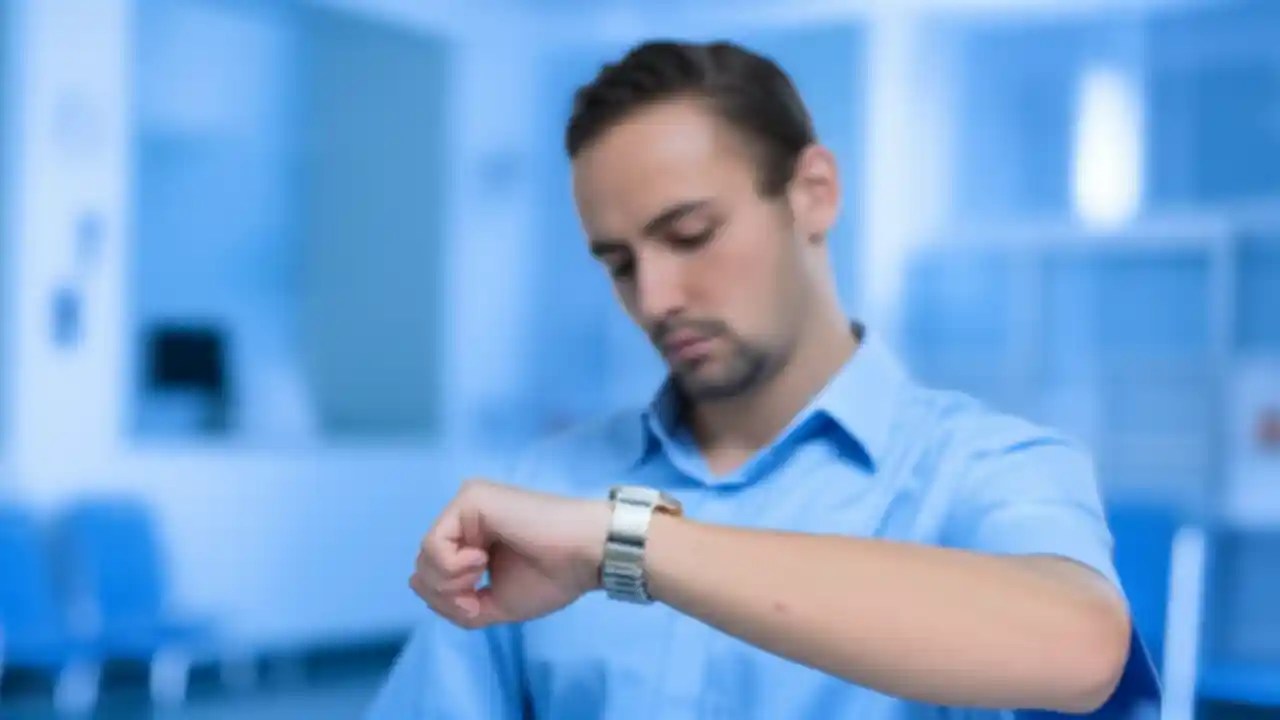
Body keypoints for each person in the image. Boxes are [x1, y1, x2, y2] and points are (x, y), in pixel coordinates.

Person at [367, 40, 1159, 719]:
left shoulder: (985, 467)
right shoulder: (543, 491)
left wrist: (627, 545)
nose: (655, 298)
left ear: (813, 193)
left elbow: (1081, 647)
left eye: (690, 234)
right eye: (619, 264)